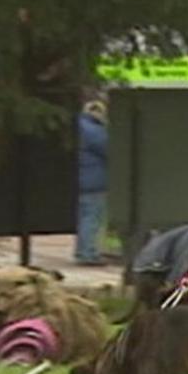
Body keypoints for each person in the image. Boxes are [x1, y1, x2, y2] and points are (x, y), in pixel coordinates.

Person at [75, 100, 108, 266]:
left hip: (83, 178)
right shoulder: (94, 130)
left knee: (85, 217)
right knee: (92, 218)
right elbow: (109, 148)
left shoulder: (80, 126)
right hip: (94, 180)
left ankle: (82, 251)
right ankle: (89, 253)